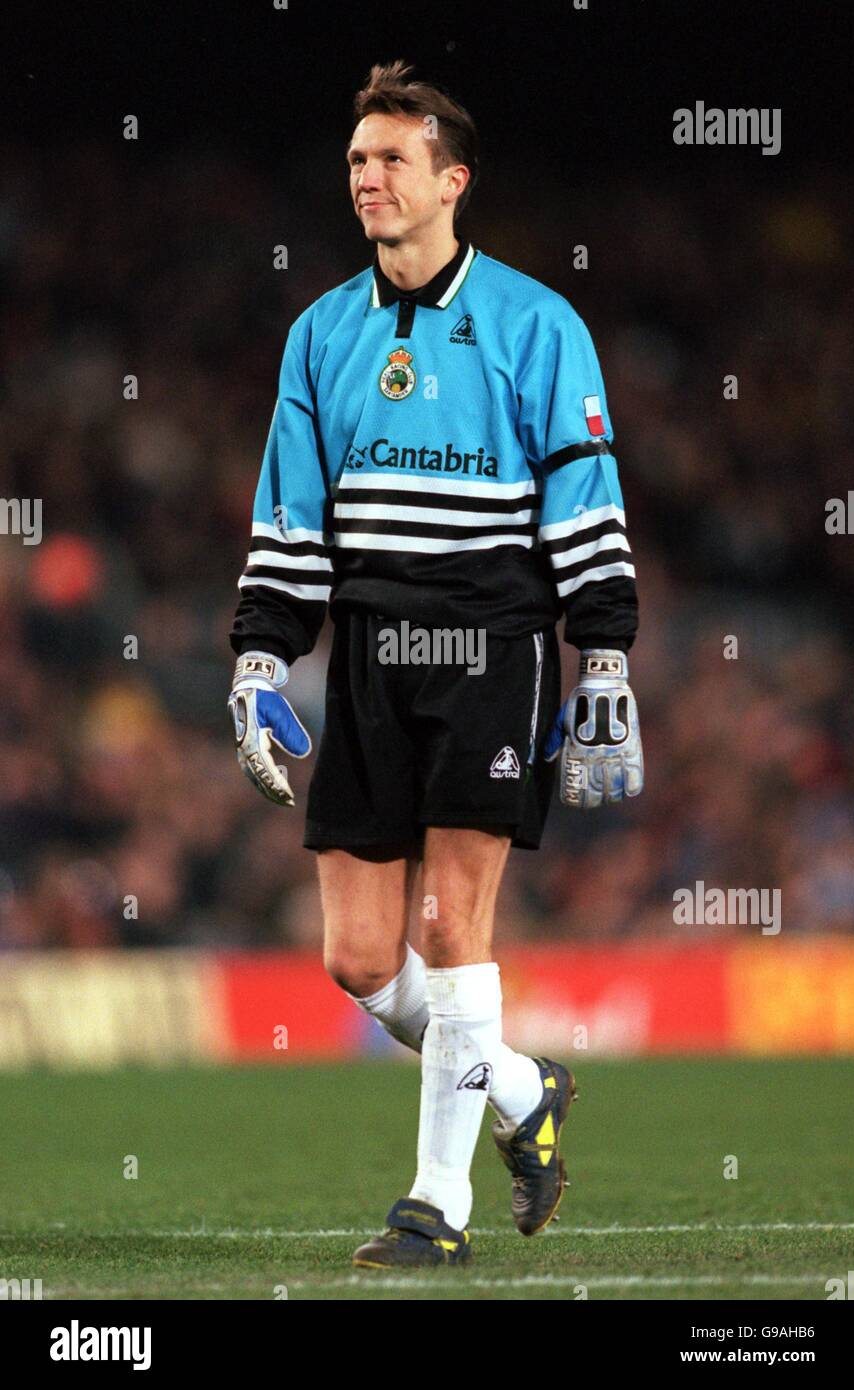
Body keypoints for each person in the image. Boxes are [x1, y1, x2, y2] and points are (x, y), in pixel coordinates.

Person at [228, 60, 643, 1268]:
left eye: (391, 159)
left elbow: (583, 497)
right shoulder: (319, 335)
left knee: (453, 926)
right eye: (357, 160)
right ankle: (523, 1092)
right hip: (365, 653)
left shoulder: (534, 323)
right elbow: (290, 518)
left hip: (488, 647)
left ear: (450, 181)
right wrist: (259, 661)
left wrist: (603, 658)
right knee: (358, 957)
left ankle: (435, 1209)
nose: (367, 177)